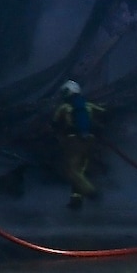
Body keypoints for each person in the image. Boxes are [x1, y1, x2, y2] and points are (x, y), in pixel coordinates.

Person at [52, 79, 102, 210]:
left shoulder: (64, 107)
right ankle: (76, 200)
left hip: (74, 141)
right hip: (90, 141)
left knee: (71, 171)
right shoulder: (88, 105)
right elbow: (104, 112)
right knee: (80, 171)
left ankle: (92, 193)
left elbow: (55, 122)